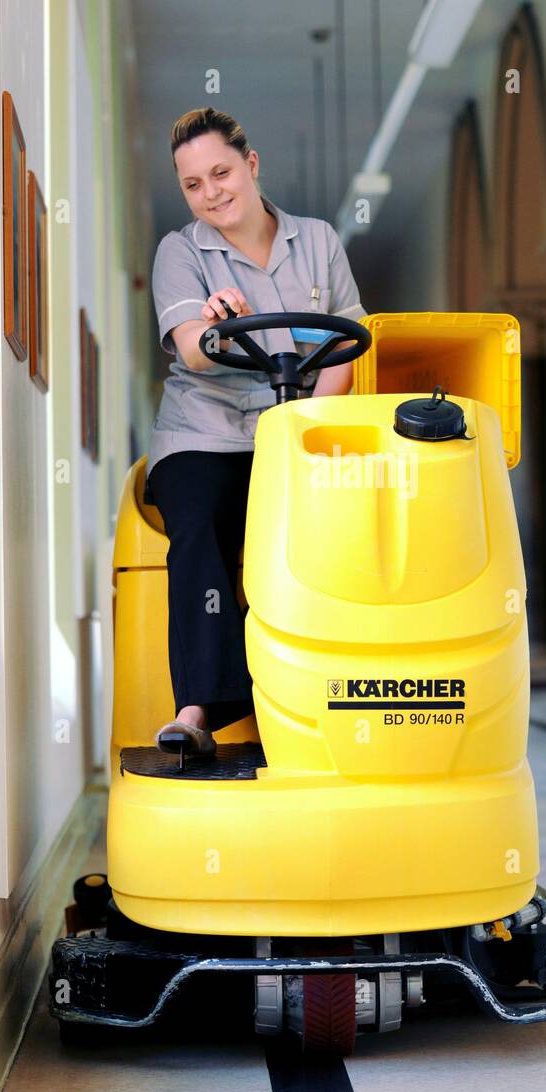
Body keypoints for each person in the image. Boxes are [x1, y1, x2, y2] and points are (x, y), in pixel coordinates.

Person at [146, 107, 366, 755]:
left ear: (251, 164)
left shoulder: (319, 241)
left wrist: (306, 433)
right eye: (193, 184)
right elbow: (191, 348)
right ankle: (197, 710)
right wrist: (215, 325)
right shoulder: (181, 251)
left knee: (333, 531)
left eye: (221, 172)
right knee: (200, 524)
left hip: (294, 430)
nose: (211, 192)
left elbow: (346, 351)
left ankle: (314, 695)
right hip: (202, 435)